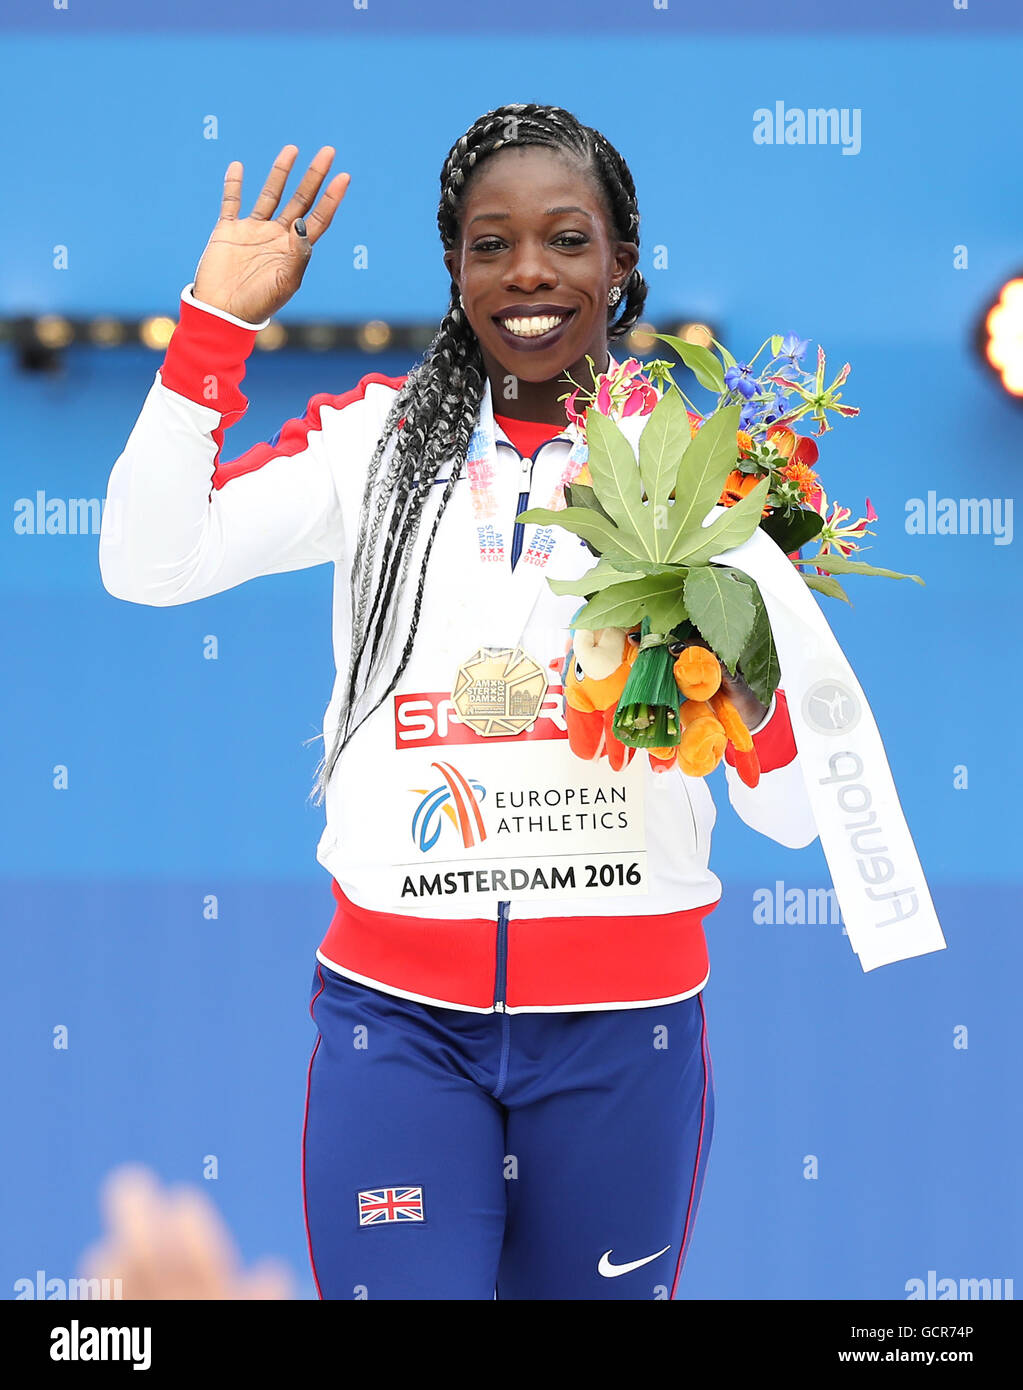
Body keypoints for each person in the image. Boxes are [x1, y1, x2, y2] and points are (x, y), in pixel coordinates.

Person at [99, 103, 818, 1301]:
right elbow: (145, 559)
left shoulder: (713, 470)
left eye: (567, 240)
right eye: (492, 245)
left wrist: (742, 667)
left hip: (623, 1029)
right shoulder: (372, 443)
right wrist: (212, 330)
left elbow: (796, 811)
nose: (529, 273)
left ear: (624, 262)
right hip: (400, 1028)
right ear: (454, 271)